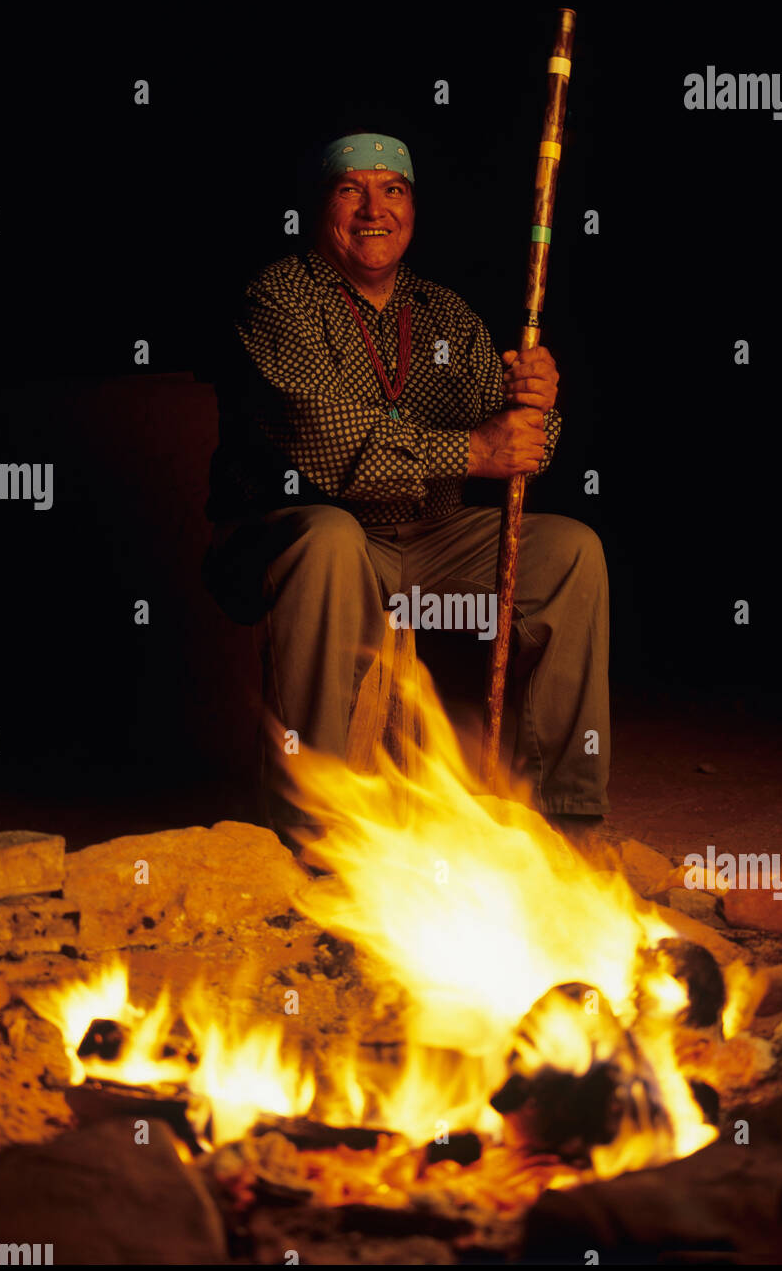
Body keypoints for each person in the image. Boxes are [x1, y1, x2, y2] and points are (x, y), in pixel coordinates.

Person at [203, 130, 610, 854]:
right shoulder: (279, 298)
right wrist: (475, 448)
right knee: (328, 535)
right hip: (288, 535)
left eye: (391, 191)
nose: (372, 209)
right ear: (320, 205)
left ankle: (563, 815)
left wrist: (535, 408)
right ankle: (314, 828)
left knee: (571, 551)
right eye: (349, 189)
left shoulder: (445, 314)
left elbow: (521, 446)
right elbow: (327, 445)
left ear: (412, 209)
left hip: (423, 542)